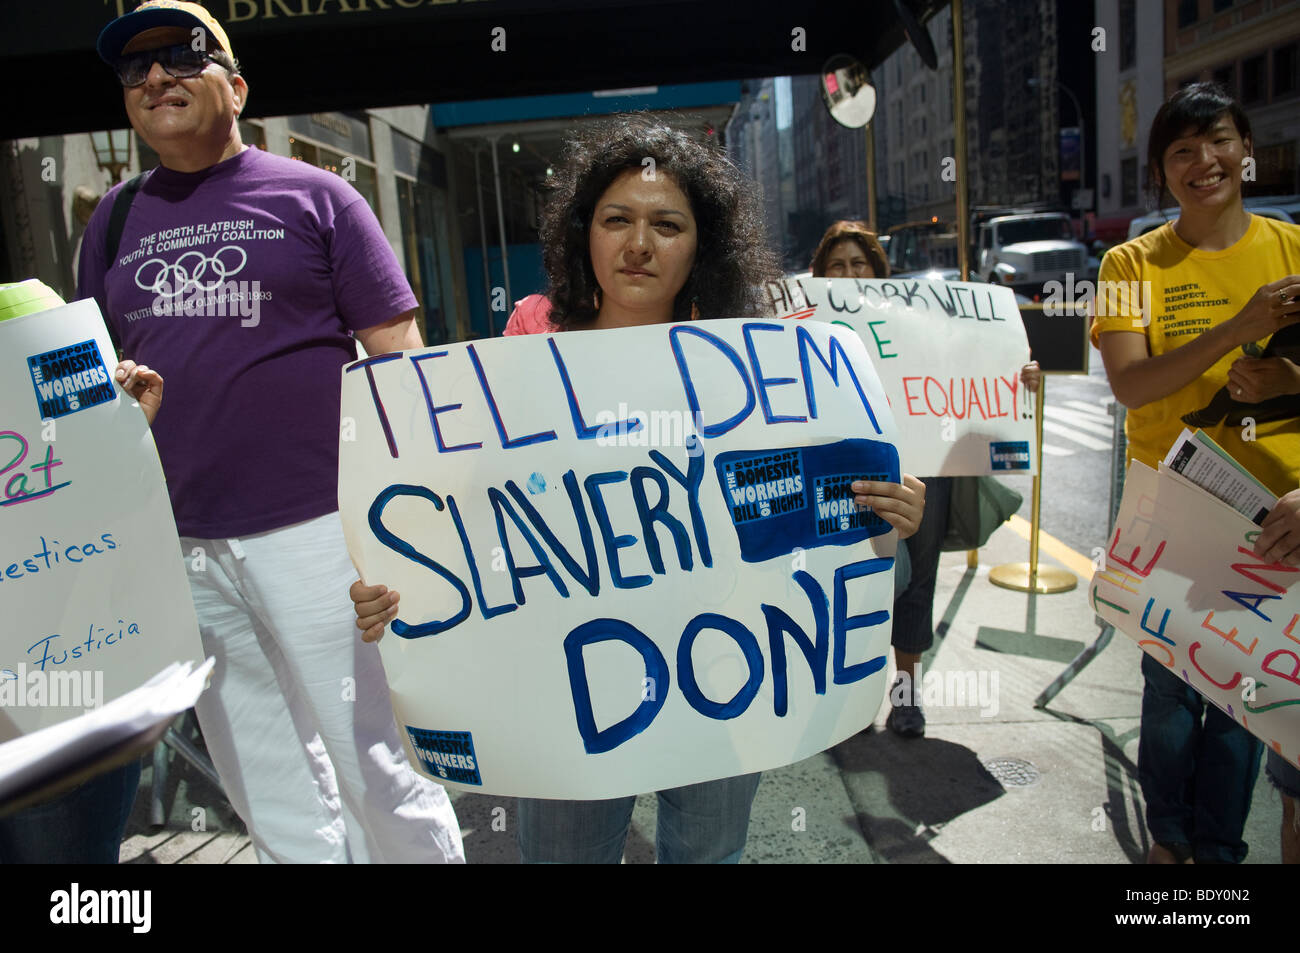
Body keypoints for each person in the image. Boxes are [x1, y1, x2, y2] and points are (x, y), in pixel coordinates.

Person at [350, 117, 927, 863]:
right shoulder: (531, 337)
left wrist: (888, 521)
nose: (639, 243)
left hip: (725, 669)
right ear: (582, 232)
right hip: (564, 681)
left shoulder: (759, 362)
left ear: (703, 243)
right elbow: (473, 511)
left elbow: (815, 535)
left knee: (707, 854)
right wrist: (404, 590)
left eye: (667, 224)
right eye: (616, 218)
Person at [78, 0, 463, 863]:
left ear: (236, 86)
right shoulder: (108, 222)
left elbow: (398, 356)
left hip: (321, 533)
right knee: (266, 780)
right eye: (134, 69)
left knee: (378, 764)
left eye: (181, 54)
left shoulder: (319, 196)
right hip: (184, 547)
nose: (155, 77)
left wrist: (415, 515)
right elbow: (98, 380)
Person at [1092, 81, 1300, 864]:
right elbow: (1132, 384)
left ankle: (1219, 850)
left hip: (1278, 510)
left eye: (1218, 140)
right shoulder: (1129, 263)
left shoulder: (1294, 250)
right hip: (1172, 504)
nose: (1203, 161)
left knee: (1247, 690)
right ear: (1161, 174)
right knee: (1173, 686)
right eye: (1181, 151)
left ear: (1247, 149)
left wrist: (1287, 381)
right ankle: (1169, 840)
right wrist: (1241, 327)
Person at [808, 220, 1040, 738]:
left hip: (922, 472)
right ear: (819, 275)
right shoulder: (804, 330)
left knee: (916, 581)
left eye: (858, 264)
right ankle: (846, 697)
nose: (848, 274)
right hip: (837, 476)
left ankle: (905, 695)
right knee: (844, 582)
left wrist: (1015, 376)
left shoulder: (917, 324)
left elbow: (974, 367)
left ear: (878, 272)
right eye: (837, 266)